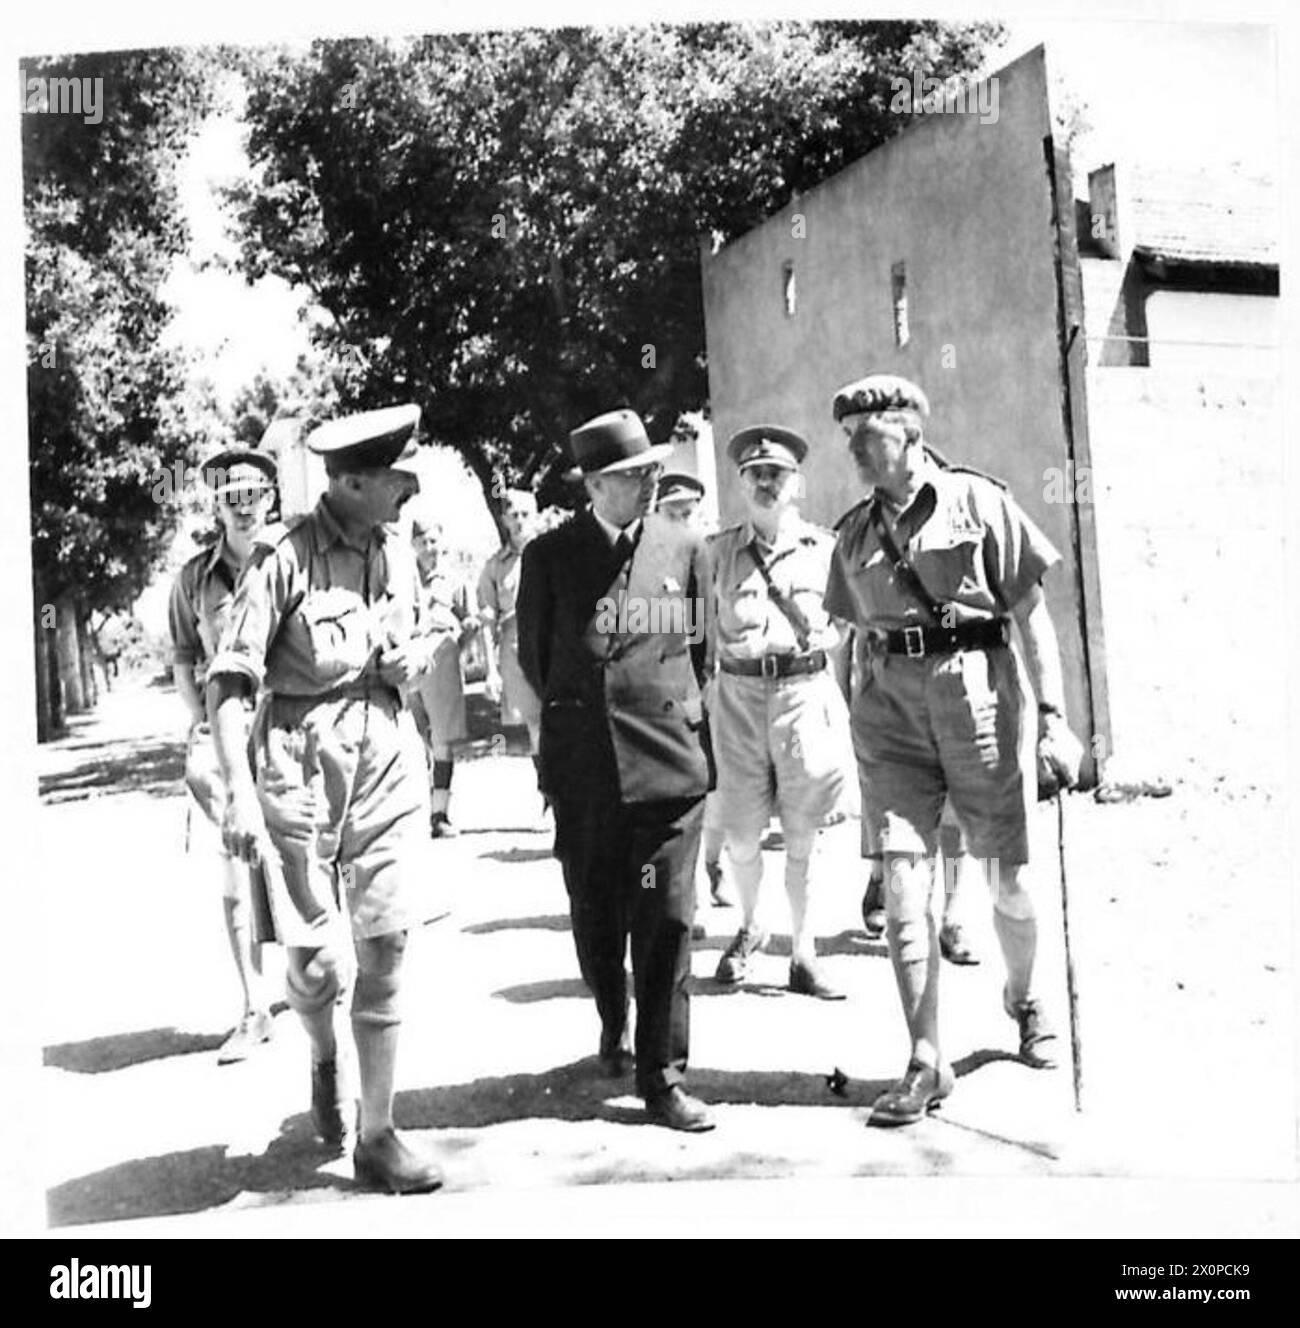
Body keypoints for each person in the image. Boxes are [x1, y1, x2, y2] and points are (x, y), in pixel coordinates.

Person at [824, 373, 1083, 1126]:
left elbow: (1031, 617)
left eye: (866, 438)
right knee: (905, 884)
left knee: (1009, 882)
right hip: (890, 720)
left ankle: (1026, 999)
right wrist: (862, 723)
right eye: (848, 439)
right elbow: (847, 641)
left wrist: (1055, 719)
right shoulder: (853, 534)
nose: (854, 452)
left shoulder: (980, 503)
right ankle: (926, 1059)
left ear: (907, 434)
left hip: (978, 703)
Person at [206, 403, 445, 1193]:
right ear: (347, 483)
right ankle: (323, 1053)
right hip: (299, 766)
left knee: (387, 944)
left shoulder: (397, 548)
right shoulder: (282, 557)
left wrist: (415, 656)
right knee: (313, 966)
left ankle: (377, 1134)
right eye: (392, 478)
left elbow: (416, 629)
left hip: (386, 759)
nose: (408, 490)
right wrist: (239, 795)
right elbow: (232, 685)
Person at [517, 409, 716, 1133]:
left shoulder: (685, 548)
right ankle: (612, 1014)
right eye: (634, 475)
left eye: (651, 471)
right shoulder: (551, 557)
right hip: (588, 772)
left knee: (665, 918)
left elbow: (701, 655)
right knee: (598, 915)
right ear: (596, 484)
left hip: (667, 766)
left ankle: (663, 1078)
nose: (649, 482)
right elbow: (535, 661)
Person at [707, 427, 850, 1000]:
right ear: (741, 484)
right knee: (741, 831)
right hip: (738, 703)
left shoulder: (826, 550)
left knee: (802, 834)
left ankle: (804, 952)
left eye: (777, 475)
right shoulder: (716, 553)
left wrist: (820, 644)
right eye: (755, 475)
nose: (766, 484)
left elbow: (848, 625)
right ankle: (749, 925)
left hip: (801, 696)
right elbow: (689, 626)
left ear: (799, 485)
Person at [168, 447, 280, 1064]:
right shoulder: (192, 579)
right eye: (230, 496)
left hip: (288, 724)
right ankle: (253, 1004)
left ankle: (321, 979)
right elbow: (185, 661)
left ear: (270, 498)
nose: (242, 506)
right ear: (217, 504)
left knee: (308, 850)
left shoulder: (290, 558)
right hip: (224, 729)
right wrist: (206, 729)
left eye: (253, 493)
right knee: (236, 865)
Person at [656, 472, 731, 912]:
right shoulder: (648, 561)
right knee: (684, 792)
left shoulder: (716, 553)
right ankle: (690, 894)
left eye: (689, 512)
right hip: (675, 691)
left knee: (719, 788)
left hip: (724, 687)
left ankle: (716, 864)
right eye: (673, 512)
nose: (683, 520)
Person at [409, 511, 476, 837]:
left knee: (442, 740)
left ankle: (440, 815)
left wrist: (457, 647)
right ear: (413, 544)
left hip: (441, 662)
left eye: (433, 541)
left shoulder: (453, 579)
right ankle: (417, 810)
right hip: (410, 663)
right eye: (422, 542)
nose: (428, 547)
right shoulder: (403, 577)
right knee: (415, 736)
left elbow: (471, 621)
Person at [477, 488, 544, 793]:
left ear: (537, 516)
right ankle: (550, 793)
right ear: (504, 520)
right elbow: (487, 620)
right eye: (514, 515)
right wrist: (491, 671)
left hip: (553, 645)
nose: (519, 521)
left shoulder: (551, 554)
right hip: (515, 650)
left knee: (563, 720)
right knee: (534, 726)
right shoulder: (495, 566)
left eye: (525, 514)